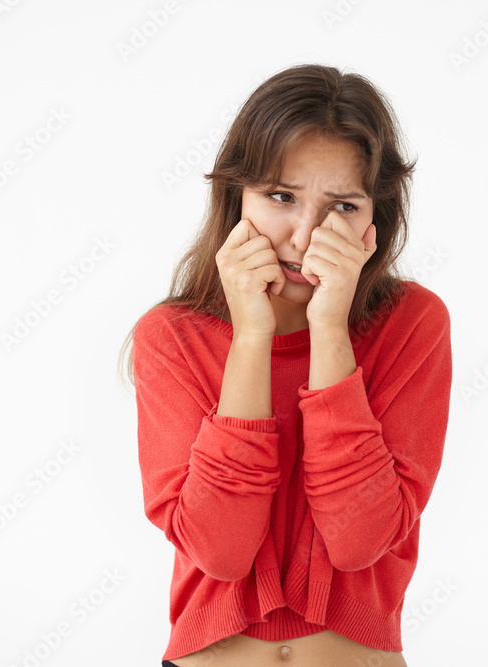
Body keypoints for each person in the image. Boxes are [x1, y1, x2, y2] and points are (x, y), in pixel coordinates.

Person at [118, 63, 452, 667]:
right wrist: (251, 338)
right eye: (280, 196)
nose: (305, 234)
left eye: (342, 205)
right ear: (234, 197)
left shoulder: (412, 325)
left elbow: (360, 540)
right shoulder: (171, 337)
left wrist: (329, 327)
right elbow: (220, 550)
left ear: (374, 220)